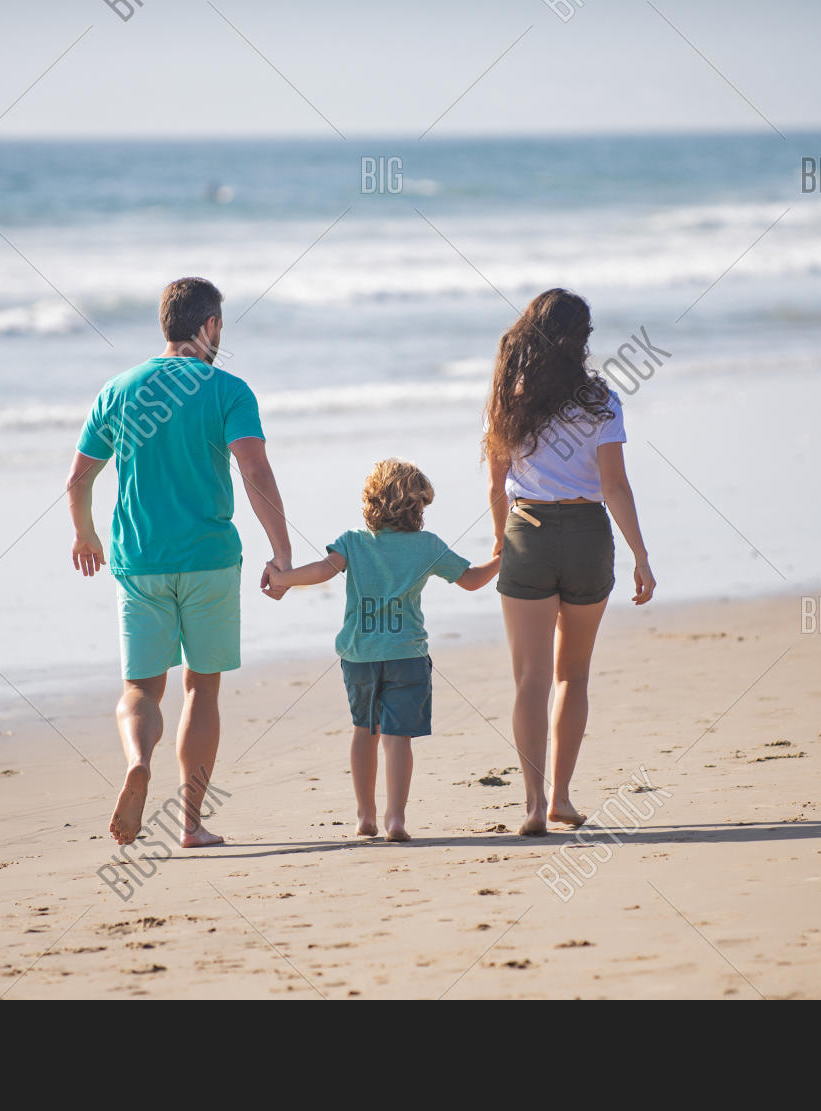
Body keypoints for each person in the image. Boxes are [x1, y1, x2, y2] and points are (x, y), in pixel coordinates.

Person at [67, 276, 293, 848]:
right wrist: (282, 552)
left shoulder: (116, 389)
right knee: (202, 689)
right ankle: (190, 823)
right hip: (210, 560)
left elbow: (78, 478)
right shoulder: (228, 390)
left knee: (141, 691)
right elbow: (255, 472)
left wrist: (86, 535)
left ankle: (138, 761)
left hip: (139, 560)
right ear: (209, 326)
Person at [482, 289, 656, 836]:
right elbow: (615, 485)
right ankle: (560, 797)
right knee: (572, 675)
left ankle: (532, 805)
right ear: (582, 340)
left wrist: (499, 543)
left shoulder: (509, 398)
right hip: (587, 536)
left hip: (527, 531)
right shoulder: (601, 400)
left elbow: (495, 487)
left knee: (530, 680)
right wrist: (640, 556)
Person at [268, 459, 500, 841]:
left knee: (364, 731)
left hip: (359, 657)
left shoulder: (353, 542)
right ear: (415, 508)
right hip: (407, 657)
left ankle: (365, 816)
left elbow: (321, 571)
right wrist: (501, 558)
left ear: (372, 502)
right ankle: (396, 818)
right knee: (398, 738)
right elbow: (472, 580)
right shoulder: (427, 546)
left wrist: (283, 579)